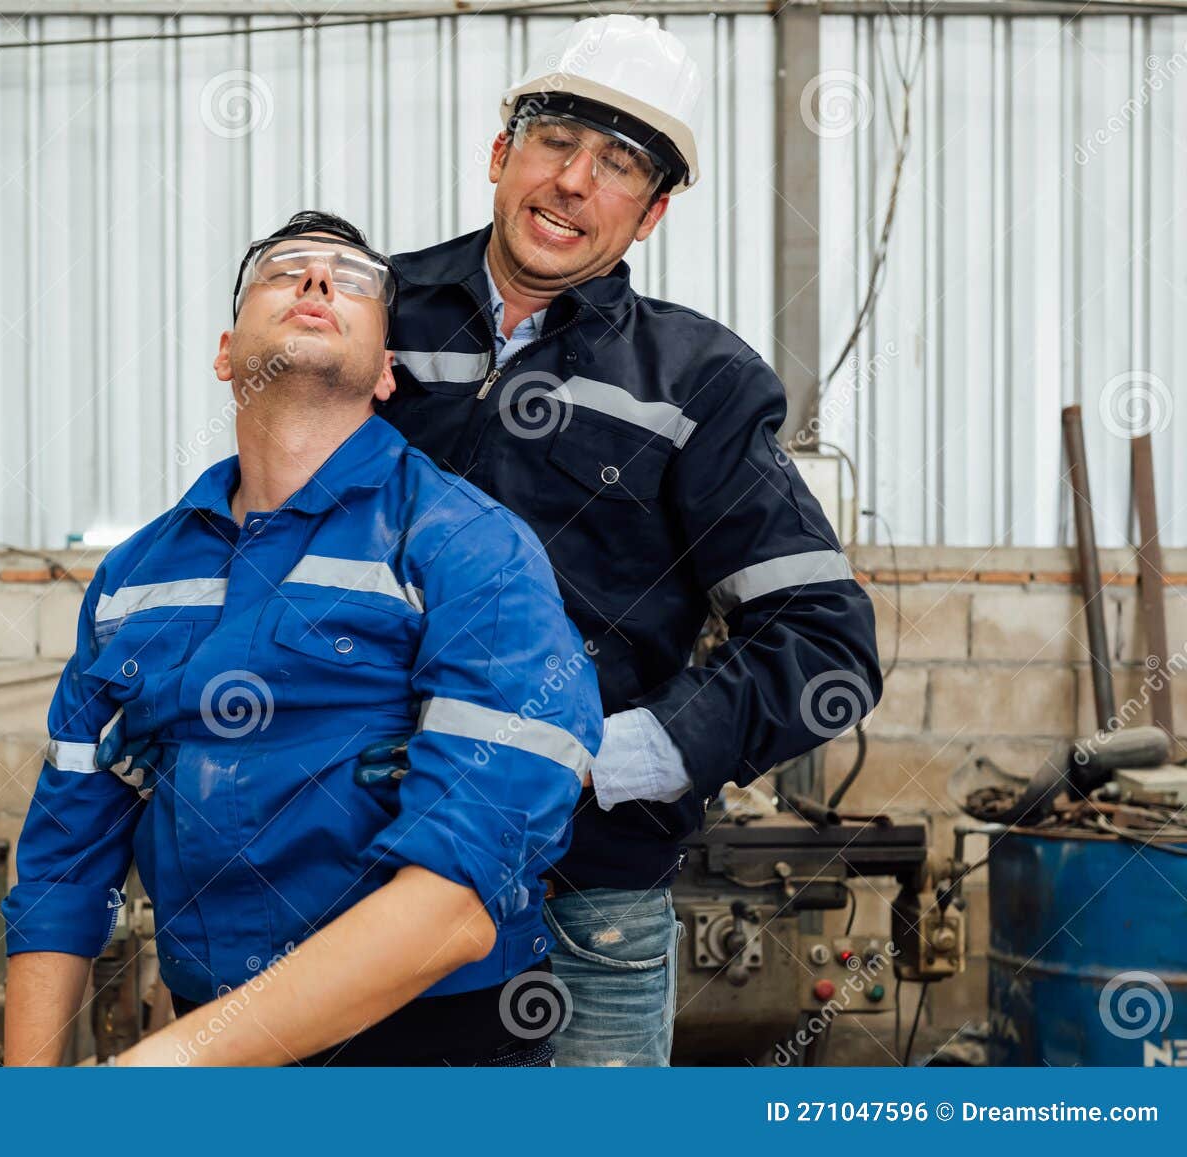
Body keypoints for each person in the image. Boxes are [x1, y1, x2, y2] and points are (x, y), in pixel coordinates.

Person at [369, 14, 882, 1066]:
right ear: (500, 153)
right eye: (555, 143)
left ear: (648, 215)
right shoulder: (368, 313)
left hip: (579, 897)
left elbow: (825, 641)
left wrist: (611, 756)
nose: (572, 183)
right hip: (344, 865)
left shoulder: (699, 383)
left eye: (616, 167)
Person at [1, 210, 602, 1067]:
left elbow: (459, 903)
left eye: (353, 280)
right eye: (285, 271)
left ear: (386, 371)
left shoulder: (468, 547)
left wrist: (167, 1065)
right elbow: (65, 862)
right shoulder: (133, 579)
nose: (319, 282)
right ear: (224, 354)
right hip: (205, 1041)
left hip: (436, 1057)